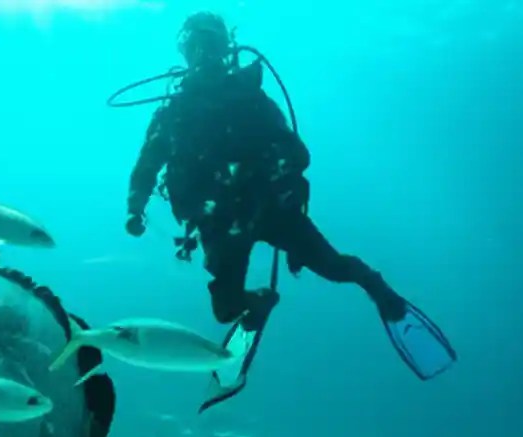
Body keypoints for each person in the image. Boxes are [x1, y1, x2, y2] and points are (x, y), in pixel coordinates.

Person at [122, 12, 456, 399]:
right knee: (226, 308)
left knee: (333, 267)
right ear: (186, 52)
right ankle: (260, 304)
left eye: (211, 43)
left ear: (225, 49)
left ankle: (378, 289)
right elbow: (147, 163)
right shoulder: (173, 112)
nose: (204, 52)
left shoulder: (251, 99)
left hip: (269, 209)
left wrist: (280, 185)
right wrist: (135, 206)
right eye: (196, 45)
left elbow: (295, 151)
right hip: (218, 219)